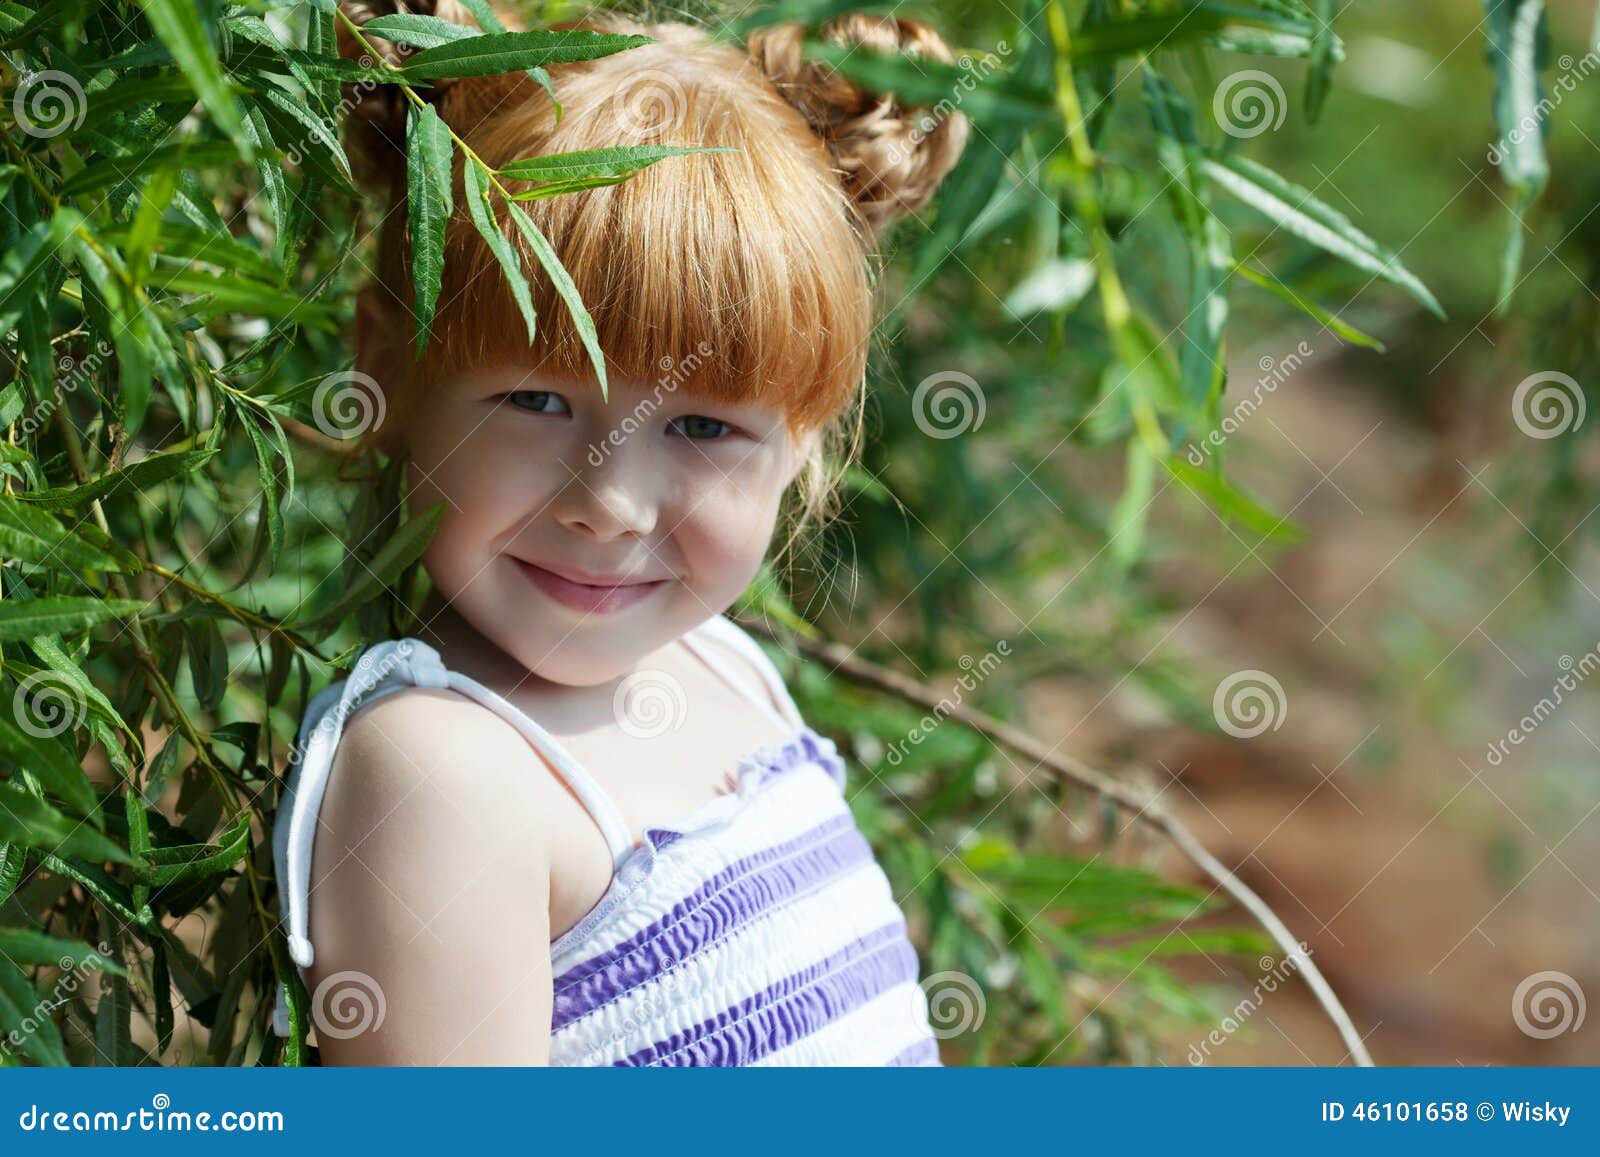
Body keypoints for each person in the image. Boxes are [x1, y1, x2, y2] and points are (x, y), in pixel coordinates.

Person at [270, 0, 969, 1065]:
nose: (614, 502)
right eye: (537, 402)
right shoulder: (447, 774)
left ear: (802, 441)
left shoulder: (729, 674)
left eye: (701, 424)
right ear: (387, 367)